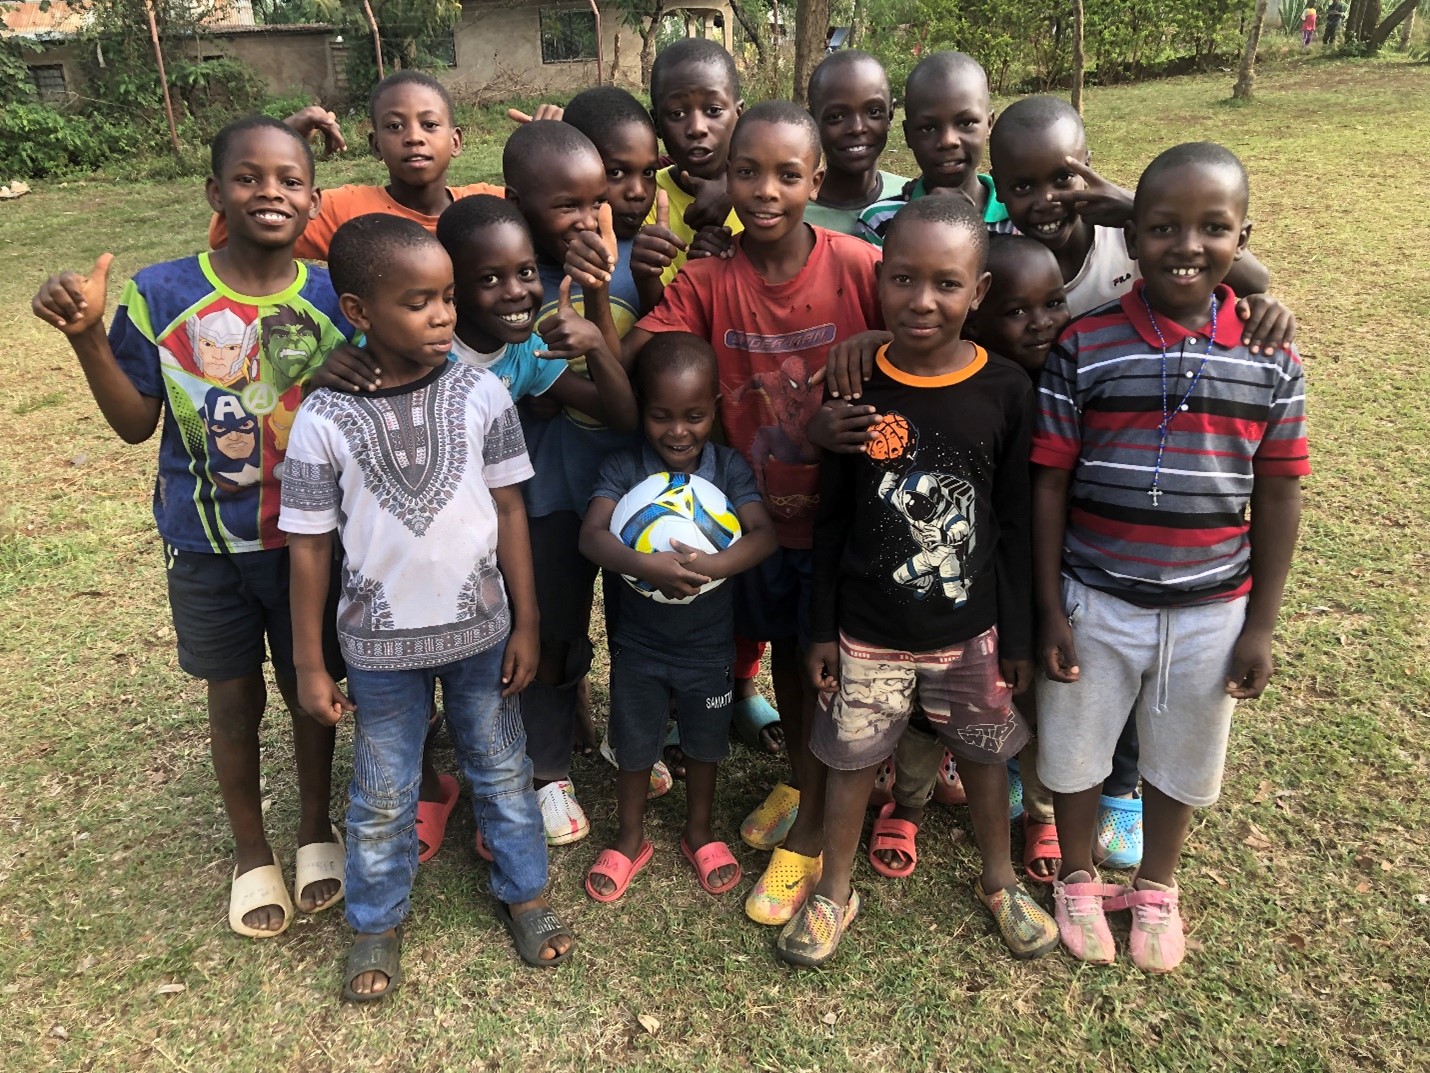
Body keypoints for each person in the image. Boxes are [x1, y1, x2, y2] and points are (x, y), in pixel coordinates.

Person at [31, 116, 350, 940]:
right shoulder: (162, 293)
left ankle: (316, 826)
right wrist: (88, 337)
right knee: (233, 693)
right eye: (248, 177)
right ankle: (252, 851)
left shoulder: (332, 297)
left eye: (289, 180)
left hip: (309, 544)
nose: (270, 192)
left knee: (310, 687)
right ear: (215, 193)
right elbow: (135, 422)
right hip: (205, 544)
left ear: (313, 199)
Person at [281, 214, 576, 1001]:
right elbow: (309, 547)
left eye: (447, 297)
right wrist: (310, 663)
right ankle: (375, 919)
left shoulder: (482, 392)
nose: (444, 315)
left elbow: (510, 508)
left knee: (502, 766)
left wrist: (528, 620)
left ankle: (527, 893)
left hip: (483, 634)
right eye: (419, 302)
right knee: (383, 788)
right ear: (358, 311)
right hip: (378, 650)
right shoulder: (322, 417)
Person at [1032, 143, 1308, 973]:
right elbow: (1050, 483)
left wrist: (1260, 625)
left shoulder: (1271, 356)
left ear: (1242, 238)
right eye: (1162, 228)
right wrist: (1050, 607)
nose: (1187, 245)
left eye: (1212, 228)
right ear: (1131, 237)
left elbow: (1280, 493)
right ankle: (1077, 877)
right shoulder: (1084, 345)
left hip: (1212, 604)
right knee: (1075, 748)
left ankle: (1156, 884)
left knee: (1183, 752)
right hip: (1094, 594)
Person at [625, 101, 884, 928]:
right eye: (747, 172)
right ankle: (802, 784)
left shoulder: (860, 265)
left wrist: (874, 341)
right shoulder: (708, 280)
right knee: (787, 662)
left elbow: (936, 322)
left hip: (842, 523)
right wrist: (618, 296)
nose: (765, 190)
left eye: (786, 174)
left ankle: (812, 834)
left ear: (817, 180)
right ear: (723, 179)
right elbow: (638, 363)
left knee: (828, 671)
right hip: (755, 525)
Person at [784, 196, 1058, 967]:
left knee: (983, 754)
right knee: (849, 762)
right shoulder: (856, 382)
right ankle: (835, 888)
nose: (923, 300)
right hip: (867, 632)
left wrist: (1017, 638)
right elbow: (832, 518)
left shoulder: (1006, 389)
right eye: (903, 278)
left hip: (970, 633)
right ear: (880, 280)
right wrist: (820, 627)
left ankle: (1000, 879)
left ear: (979, 292)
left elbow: (1012, 524)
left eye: (947, 283)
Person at [578, 333, 777, 902]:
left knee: (706, 743)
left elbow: (763, 535)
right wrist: (645, 564)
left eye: (694, 416)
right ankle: (629, 837)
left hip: (709, 645)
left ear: (714, 407)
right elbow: (591, 536)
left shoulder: (728, 468)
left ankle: (699, 833)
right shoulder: (624, 466)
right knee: (635, 740)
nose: (678, 431)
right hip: (639, 643)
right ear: (642, 408)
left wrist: (712, 566)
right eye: (661, 415)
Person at [502, 120, 644, 848]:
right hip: (544, 490)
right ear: (518, 204)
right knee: (553, 624)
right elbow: (551, 391)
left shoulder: (623, 272)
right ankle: (547, 769)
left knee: (631, 620)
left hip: (620, 485)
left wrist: (596, 297)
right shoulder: (506, 284)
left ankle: (631, 735)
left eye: (596, 202)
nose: (588, 219)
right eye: (567, 206)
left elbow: (623, 409)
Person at [209, 71, 501, 258]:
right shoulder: (346, 211)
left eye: (430, 124)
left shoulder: (490, 207)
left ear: (455, 141)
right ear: (376, 145)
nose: (414, 137)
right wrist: (283, 136)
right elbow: (230, 232)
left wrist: (533, 147)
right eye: (395, 126)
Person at [855, 52, 1013, 248]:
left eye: (965, 123)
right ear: (908, 135)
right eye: (928, 128)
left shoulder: (1019, 216)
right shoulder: (880, 223)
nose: (947, 141)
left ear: (989, 124)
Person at [633, 37, 746, 301]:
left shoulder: (765, 192)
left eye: (713, 110)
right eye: (677, 114)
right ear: (657, 124)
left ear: (739, 115)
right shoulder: (645, 198)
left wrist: (733, 188)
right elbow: (658, 317)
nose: (697, 128)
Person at [803, 50, 907, 234]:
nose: (857, 128)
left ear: (889, 116)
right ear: (812, 123)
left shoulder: (911, 199)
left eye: (873, 112)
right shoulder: (792, 217)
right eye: (836, 116)